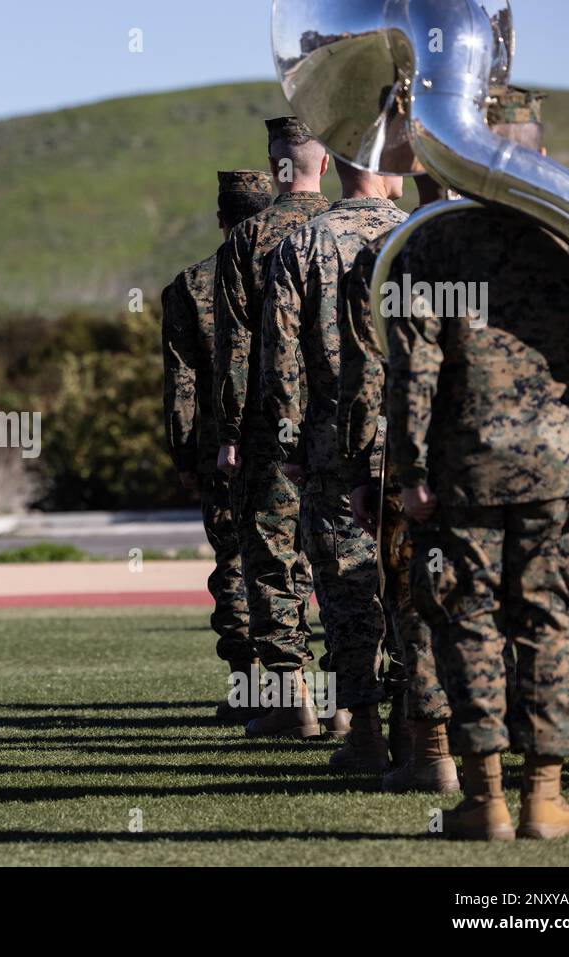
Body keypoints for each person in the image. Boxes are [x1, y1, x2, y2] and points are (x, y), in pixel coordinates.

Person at [386, 88, 569, 839]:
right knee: (550, 623)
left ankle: (484, 801)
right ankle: (545, 800)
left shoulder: (434, 242)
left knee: (468, 622)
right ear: (539, 155)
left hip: (463, 468)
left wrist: (410, 470)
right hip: (557, 461)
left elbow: (413, 367)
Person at [260, 158, 407, 768]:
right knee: (411, 585)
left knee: (347, 591)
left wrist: (289, 445)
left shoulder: (303, 243)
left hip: (332, 445)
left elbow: (280, 359)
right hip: (407, 444)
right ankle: (419, 726)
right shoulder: (415, 233)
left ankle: (365, 731)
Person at [339, 172, 460, 793]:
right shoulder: (544, 237)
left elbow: (374, 369)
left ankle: (436, 754)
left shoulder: (396, 253)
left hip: (419, 458)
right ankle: (526, 773)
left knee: (419, 602)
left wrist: (368, 466)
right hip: (526, 458)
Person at [212, 117, 332, 738]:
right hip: (343, 426)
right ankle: (352, 703)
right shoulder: (349, 228)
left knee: (273, 564)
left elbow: (234, 351)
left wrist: (229, 435)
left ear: (273, 161)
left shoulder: (248, 239)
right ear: (327, 163)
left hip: (269, 431)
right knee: (347, 560)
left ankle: (293, 701)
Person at [161, 170, 273, 721]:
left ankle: (250, 686)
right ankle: (337, 694)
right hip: (299, 439)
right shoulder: (299, 258)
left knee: (234, 560)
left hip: (223, 451)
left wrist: (185, 455)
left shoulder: (190, 285)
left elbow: (182, 383)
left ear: (221, 219)